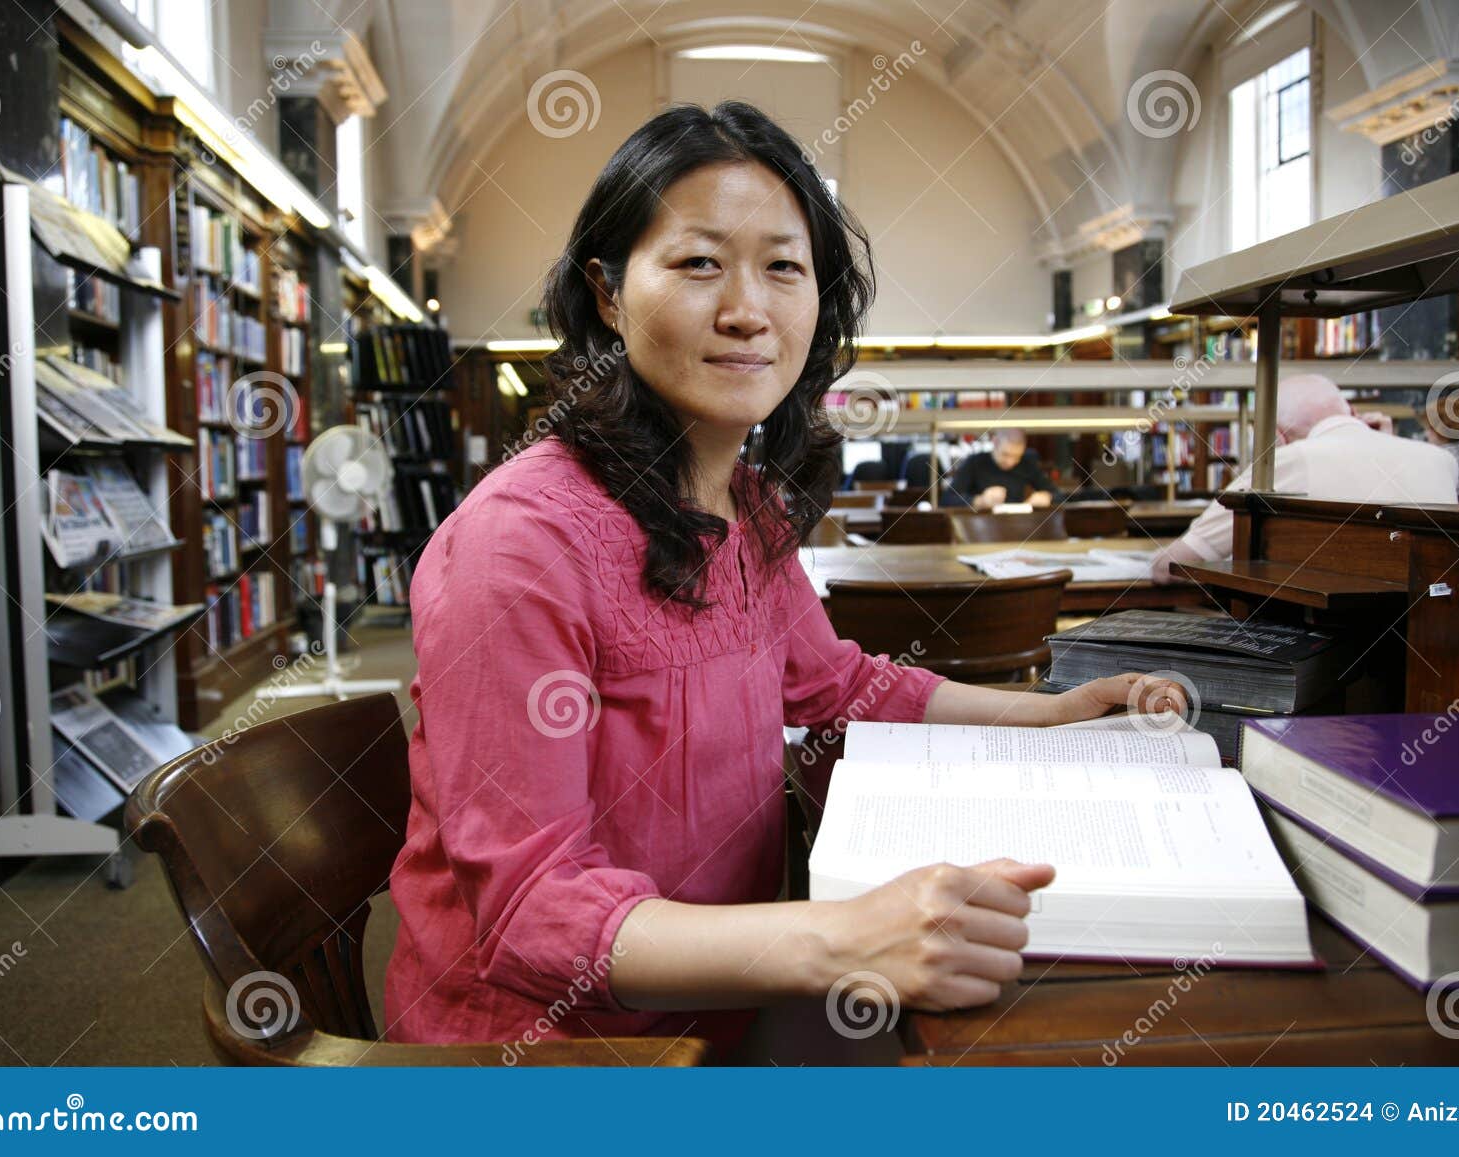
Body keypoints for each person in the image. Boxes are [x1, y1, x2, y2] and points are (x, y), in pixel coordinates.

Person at [384, 101, 1187, 1058]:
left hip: (732, 991)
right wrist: (844, 936)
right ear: (607, 292)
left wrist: (1051, 711)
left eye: (783, 267)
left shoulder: (748, 503)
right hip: (557, 1053)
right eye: (697, 263)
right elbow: (531, 910)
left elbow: (839, 685)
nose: (746, 310)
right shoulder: (516, 547)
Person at [1149, 374, 1459, 583]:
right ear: (1351, 410)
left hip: (1327, 647)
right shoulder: (1441, 460)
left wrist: (1154, 563)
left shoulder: (1288, 460)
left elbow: (1174, 566)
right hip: (1434, 639)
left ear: (1279, 436)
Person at [950, 429, 1059, 509]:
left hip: (1017, 523)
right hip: (982, 524)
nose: (1010, 462)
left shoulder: (1027, 462)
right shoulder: (974, 462)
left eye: (1017, 457)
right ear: (995, 442)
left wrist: (1047, 498)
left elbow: (1059, 496)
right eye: (1005, 455)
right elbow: (948, 499)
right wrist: (979, 501)